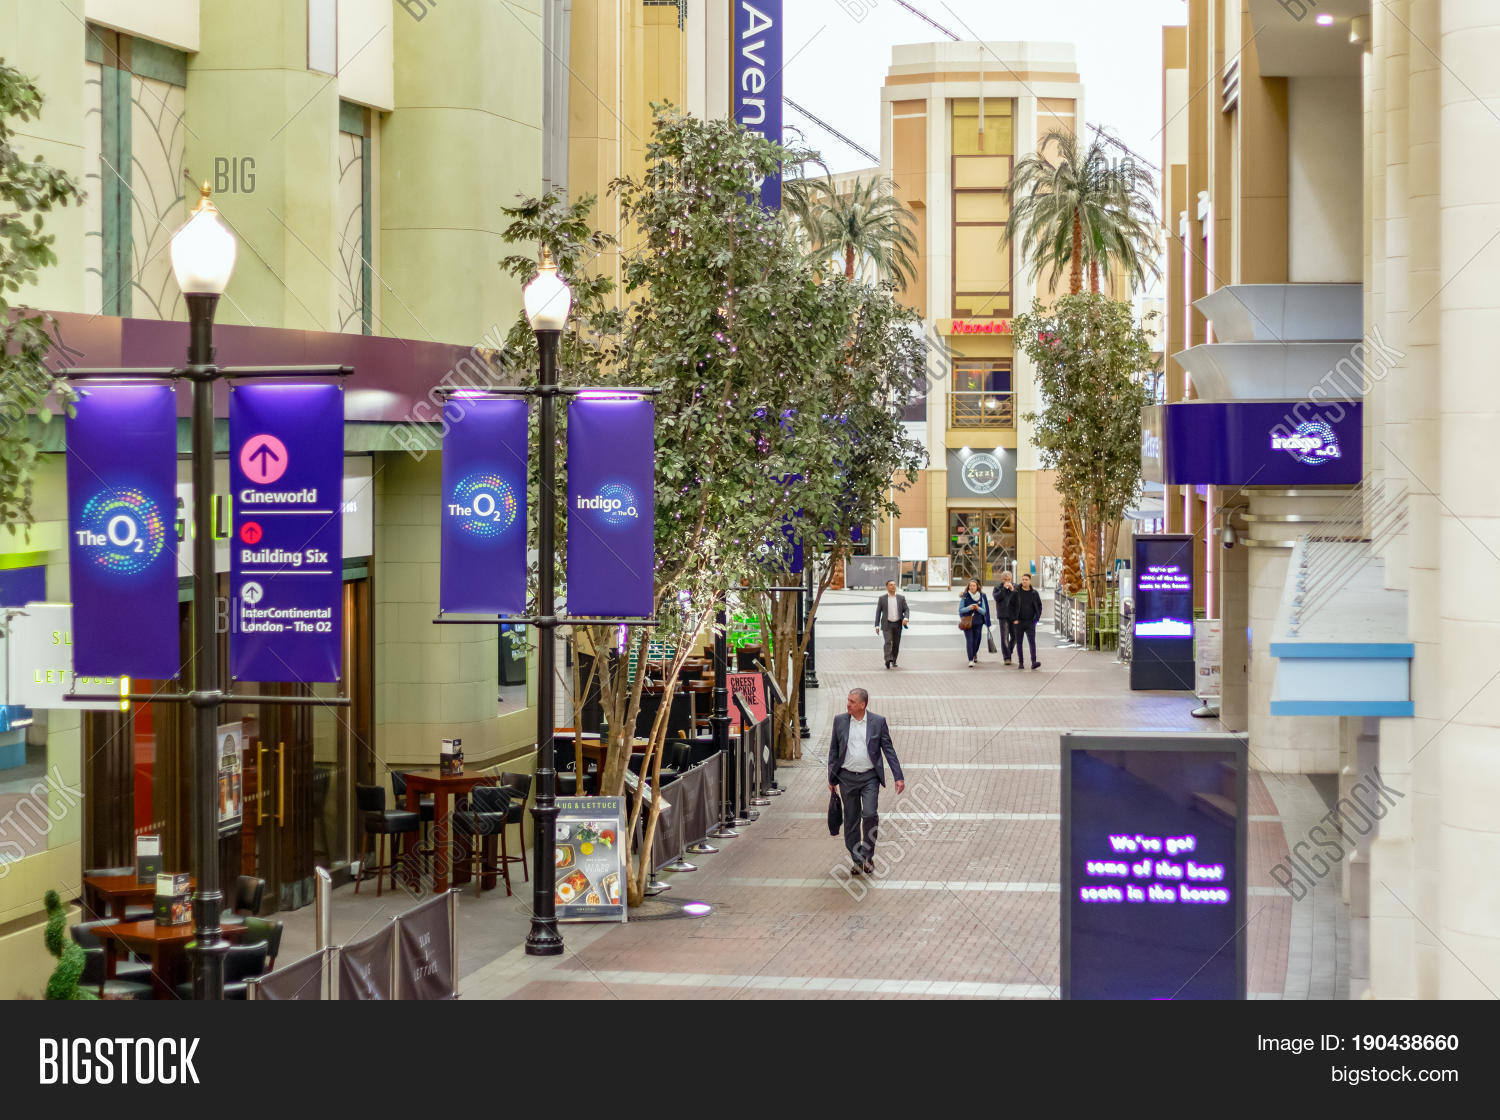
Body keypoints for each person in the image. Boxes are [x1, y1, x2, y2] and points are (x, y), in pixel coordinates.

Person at [826, 688, 904, 874]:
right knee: (851, 820)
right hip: (846, 777)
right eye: (848, 700)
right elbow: (834, 750)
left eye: (852, 701)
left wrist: (898, 776)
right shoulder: (840, 721)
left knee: (869, 814)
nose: (848, 704)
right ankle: (857, 860)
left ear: (863, 705)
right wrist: (831, 777)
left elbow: (888, 749)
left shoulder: (878, 722)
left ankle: (868, 855)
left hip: (870, 777)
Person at [874, 579, 910, 669]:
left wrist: (906, 618)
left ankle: (893, 660)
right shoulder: (882, 599)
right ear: (887, 587)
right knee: (888, 642)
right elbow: (878, 612)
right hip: (887, 624)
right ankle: (887, 659)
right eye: (891, 585)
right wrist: (877, 625)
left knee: (896, 644)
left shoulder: (901, 598)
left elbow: (906, 609)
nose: (893, 586)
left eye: (894, 584)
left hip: (898, 624)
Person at [1013, 571, 1043, 670]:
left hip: (1030, 622)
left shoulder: (1034, 593)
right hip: (1019, 622)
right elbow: (1010, 606)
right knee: (1019, 643)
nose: (1024, 581)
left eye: (1026, 580)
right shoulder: (1016, 592)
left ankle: (1034, 662)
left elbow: (1039, 606)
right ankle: (1021, 663)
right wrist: (1014, 619)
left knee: (1032, 642)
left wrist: (1036, 619)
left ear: (1030, 581)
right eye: (1023, 579)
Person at [959, 578, 990, 667]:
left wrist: (977, 608)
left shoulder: (981, 596)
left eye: (974, 586)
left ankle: (974, 654)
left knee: (977, 640)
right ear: (968, 587)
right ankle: (970, 659)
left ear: (977, 587)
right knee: (970, 640)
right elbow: (960, 610)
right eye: (970, 586)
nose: (972, 587)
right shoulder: (965, 596)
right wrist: (969, 608)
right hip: (967, 622)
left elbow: (984, 611)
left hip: (978, 622)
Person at [991, 570, 1017, 665]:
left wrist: (1012, 590)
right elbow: (996, 598)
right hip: (1003, 615)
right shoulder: (998, 587)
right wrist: (1004, 589)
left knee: (1015, 636)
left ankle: (1008, 651)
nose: (1007, 581)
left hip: (1014, 615)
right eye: (1005, 579)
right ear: (1002, 579)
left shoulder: (1015, 587)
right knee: (1004, 637)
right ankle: (1007, 657)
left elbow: (1019, 597)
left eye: (1009, 579)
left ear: (1011, 579)